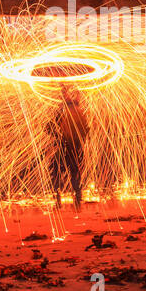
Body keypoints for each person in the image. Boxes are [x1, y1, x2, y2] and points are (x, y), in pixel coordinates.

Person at [48, 83, 89, 213]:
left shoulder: (63, 111)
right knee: (75, 174)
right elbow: (86, 130)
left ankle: (58, 200)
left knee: (55, 173)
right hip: (76, 147)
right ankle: (77, 201)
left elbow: (49, 127)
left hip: (63, 146)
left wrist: (56, 134)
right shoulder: (80, 112)